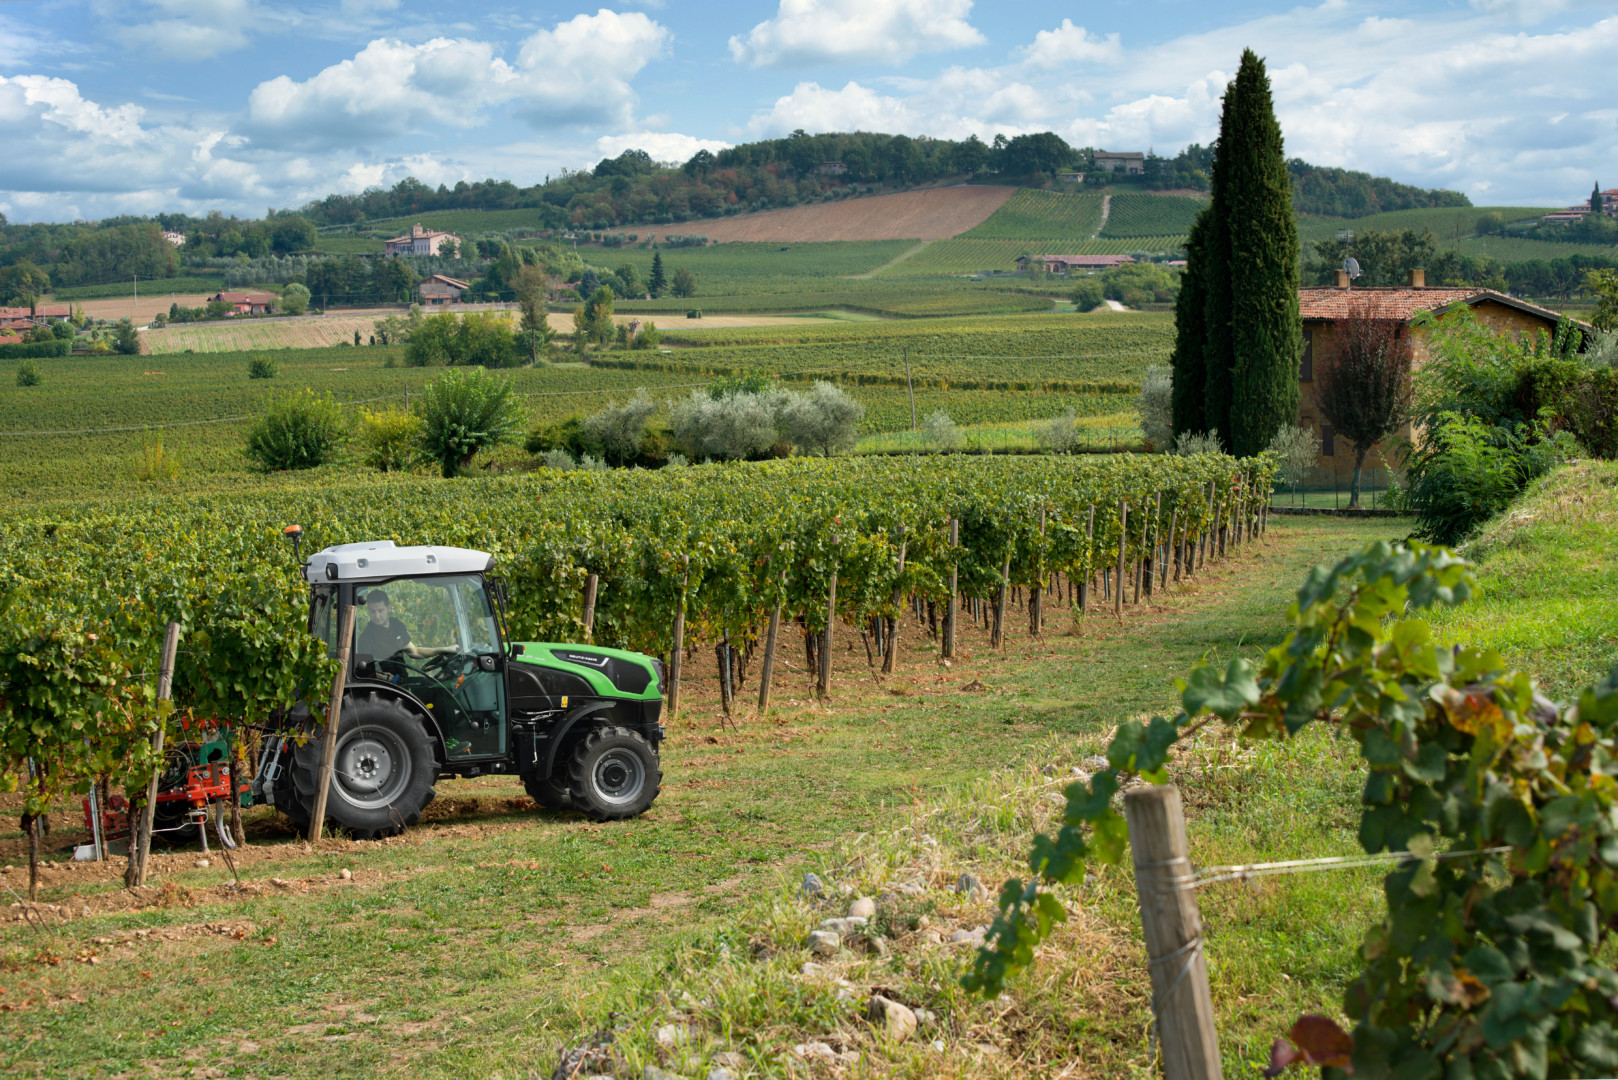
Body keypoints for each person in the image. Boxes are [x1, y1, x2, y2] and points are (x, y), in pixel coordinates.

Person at [356, 589, 457, 662]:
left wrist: (445, 650)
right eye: (372, 611)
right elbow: (367, 673)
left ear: (388, 608)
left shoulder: (396, 625)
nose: (377, 616)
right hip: (384, 686)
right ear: (368, 610)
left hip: (402, 680)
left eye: (380, 611)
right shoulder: (365, 639)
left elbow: (415, 652)